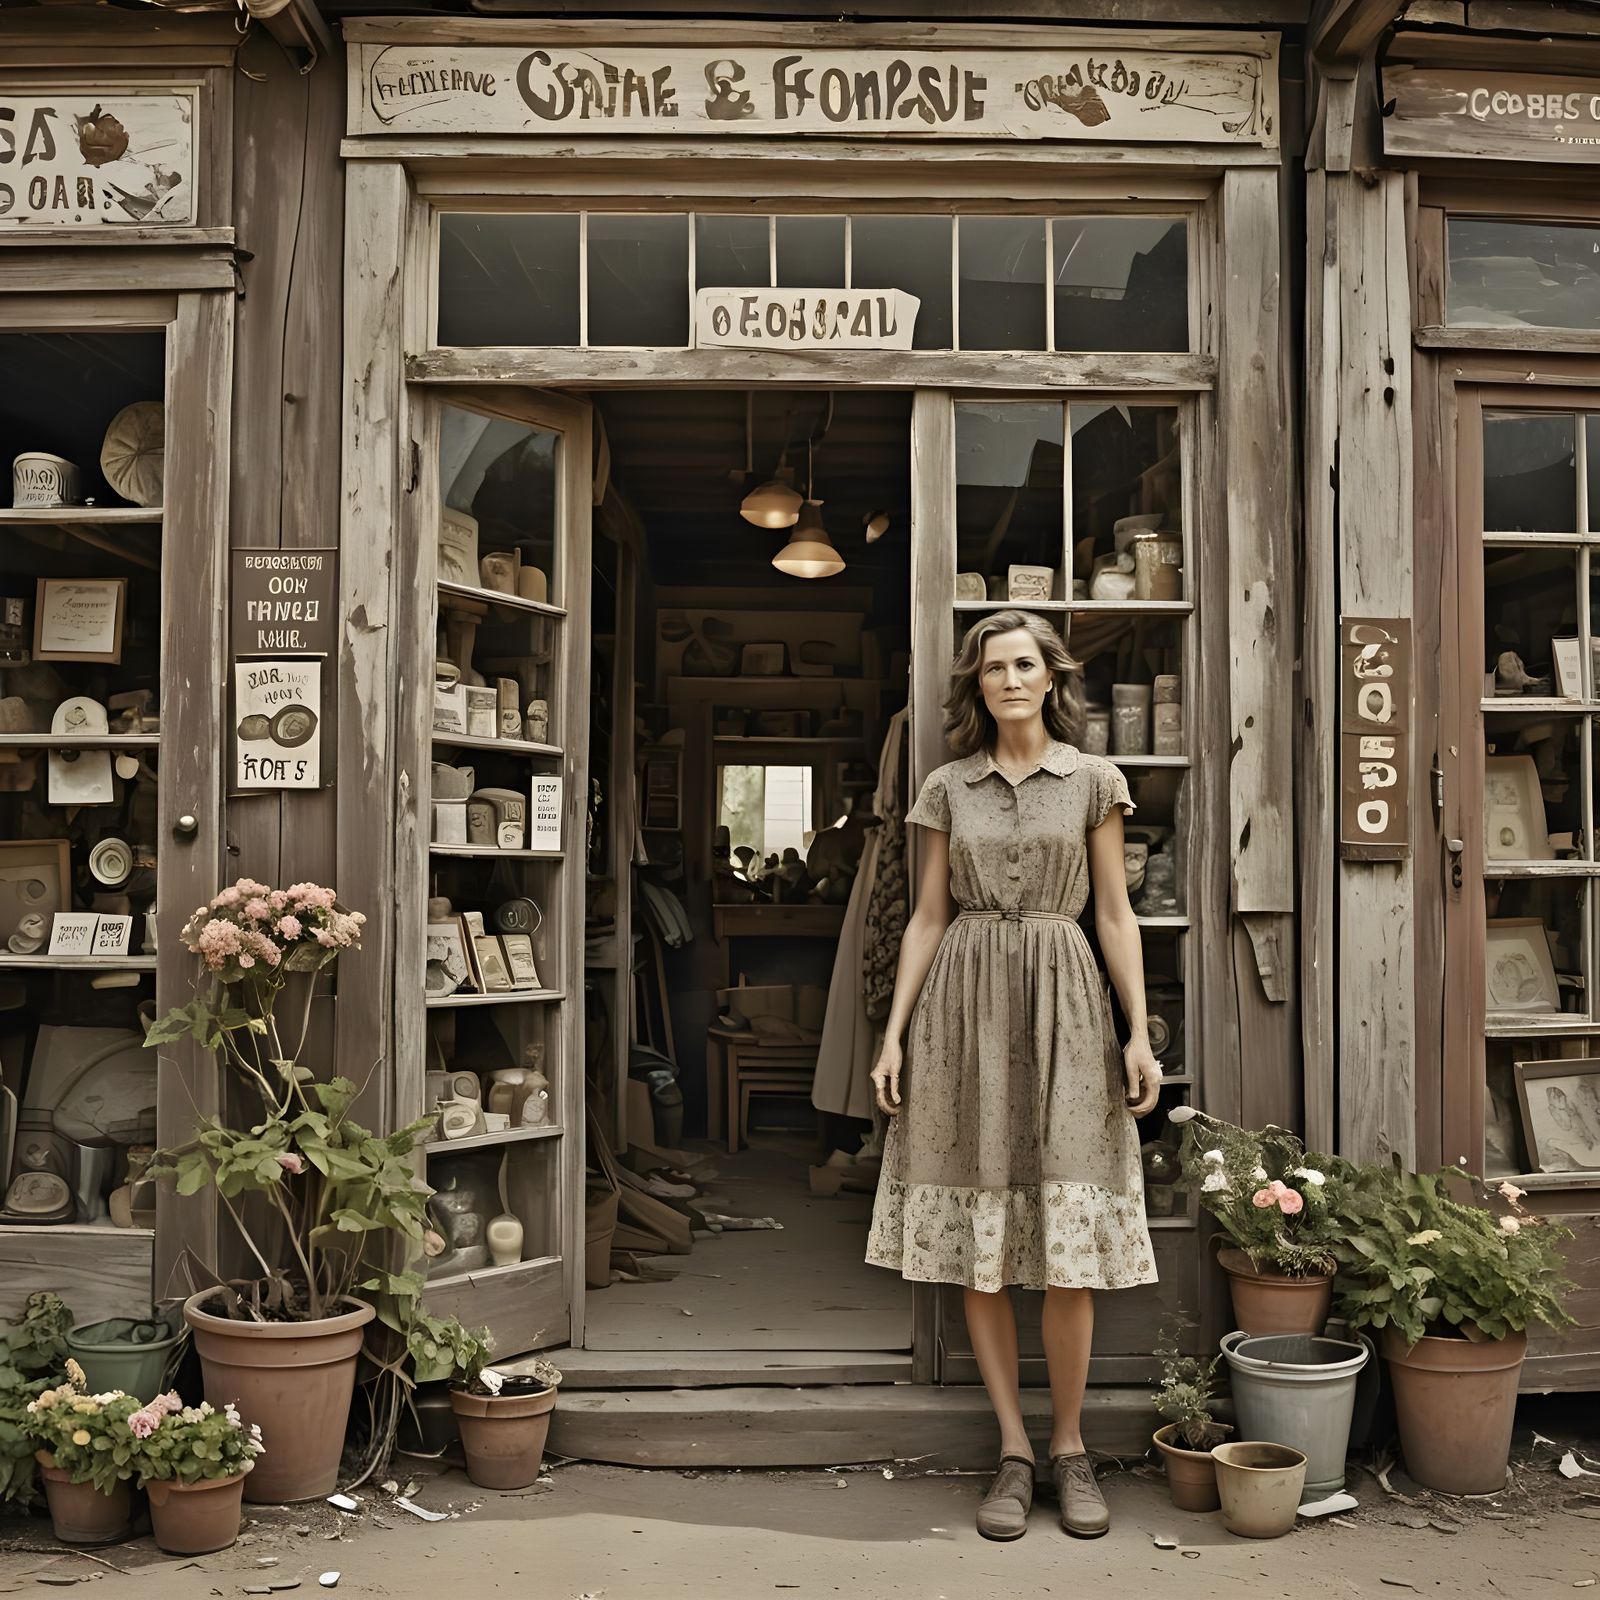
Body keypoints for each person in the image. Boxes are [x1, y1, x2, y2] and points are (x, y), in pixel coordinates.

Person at [864, 608, 1161, 1542]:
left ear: (1052, 676)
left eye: (1025, 664)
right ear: (977, 685)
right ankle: (1012, 1449)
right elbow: (925, 917)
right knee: (979, 1241)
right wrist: (895, 1034)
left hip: (1067, 1004)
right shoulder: (948, 786)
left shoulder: (1094, 782)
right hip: (964, 1008)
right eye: (993, 668)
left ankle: (1069, 1448)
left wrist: (1137, 1033)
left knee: (1065, 1247)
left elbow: (1115, 914)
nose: (1010, 680)